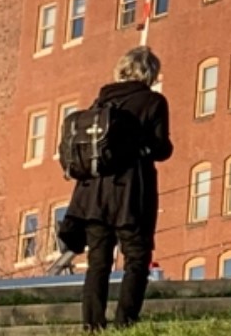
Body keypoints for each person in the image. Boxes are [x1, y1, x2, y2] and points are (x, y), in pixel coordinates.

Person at [60, 46, 172, 331]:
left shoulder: (101, 101)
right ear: (150, 73)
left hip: (93, 194)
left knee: (98, 260)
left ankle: (92, 324)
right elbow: (161, 149)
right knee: (137, 257)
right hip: (130, 194)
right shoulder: (153, 102)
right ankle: (126, 323)